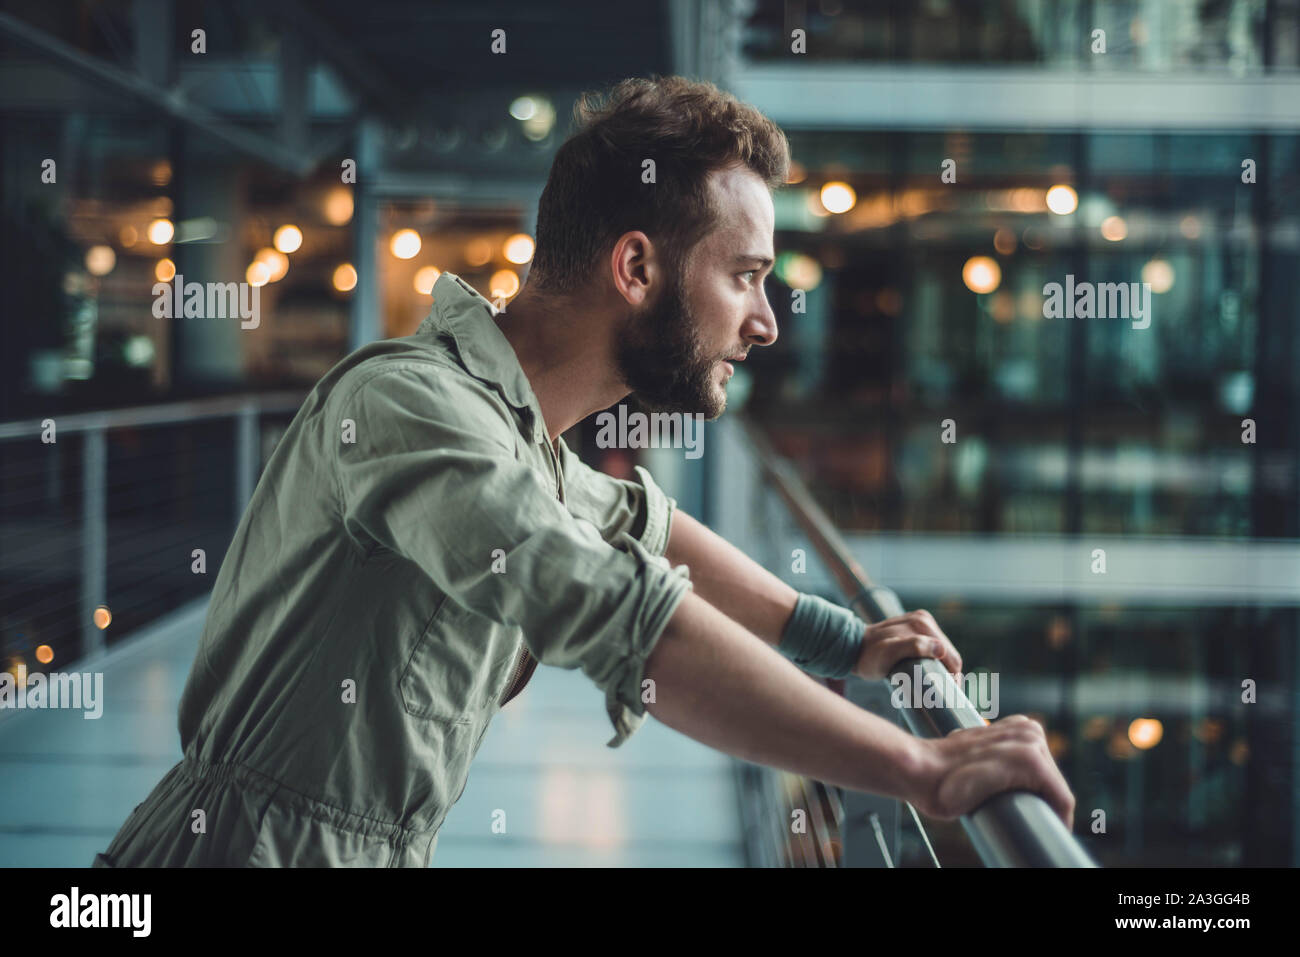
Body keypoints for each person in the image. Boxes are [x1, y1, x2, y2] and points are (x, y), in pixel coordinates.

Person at [93, 75, 1073, 868]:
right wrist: (920, 767)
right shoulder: (408, 407)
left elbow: (644, 528)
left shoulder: (517, 436)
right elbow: (613, 605)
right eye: (746, 276)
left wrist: (847, 640)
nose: (766, 323)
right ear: (636, 267)